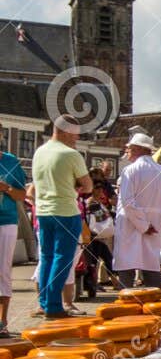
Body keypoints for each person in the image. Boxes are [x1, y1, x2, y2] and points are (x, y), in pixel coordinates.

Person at [31, 120, 93, 320]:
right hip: (65, 211)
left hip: (43, 212)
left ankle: (45, 302)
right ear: (65, 132)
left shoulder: (39, 152)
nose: (77, 138)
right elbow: (88, 185)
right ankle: (54, 306)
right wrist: (80, 186)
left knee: (47, 257)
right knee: (63, 259)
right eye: (75, 134)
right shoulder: (71, 154)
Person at [113, 131, 161, 291]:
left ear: (137, 149)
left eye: (130, 148)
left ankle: (126, 305)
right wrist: (154, 219)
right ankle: (156, 304)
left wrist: (143, 224)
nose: (127, 151)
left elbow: (127, 202)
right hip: (154, 226)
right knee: (151, 264)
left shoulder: (130, 171)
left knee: (126, 265)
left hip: (130, 225)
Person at [0, 139, 27, 337]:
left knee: (2, 271)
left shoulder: (11, 162)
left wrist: (7, 188)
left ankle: (2, 322)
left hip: (5, 222)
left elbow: (22, 195)